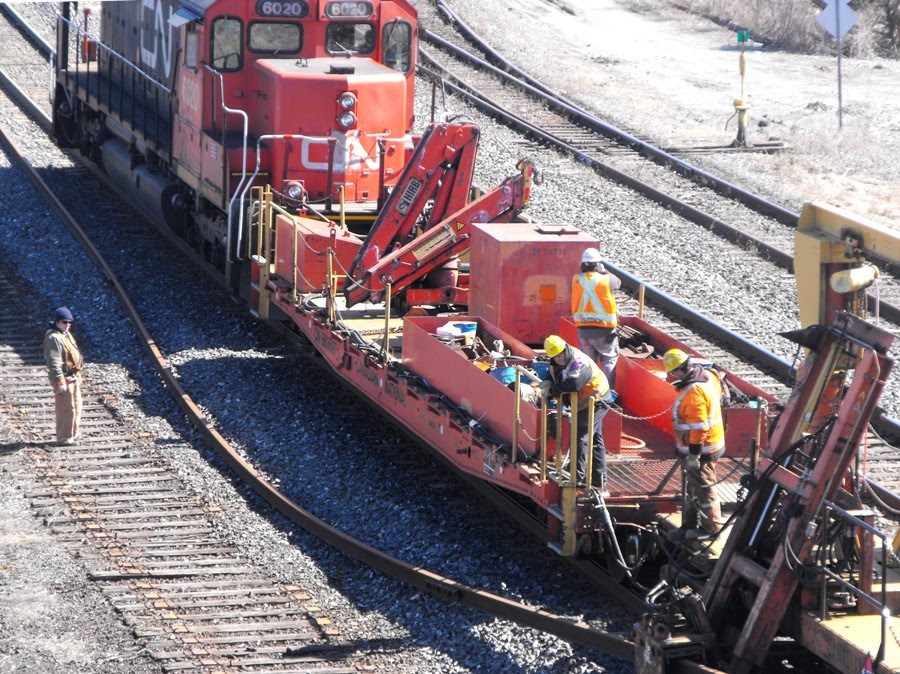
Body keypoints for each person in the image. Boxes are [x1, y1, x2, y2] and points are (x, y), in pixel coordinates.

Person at [663, 348, 725, 542]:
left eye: (672, 372)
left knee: (704, 487)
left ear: (681, 370)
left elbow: (699, 427)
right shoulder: (706, 377)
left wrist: (694, 455)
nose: (671, 377)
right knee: (693, 487)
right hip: (708, 445)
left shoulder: (693, 393)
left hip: (702, 450)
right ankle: (689, 524)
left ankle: (711, 528)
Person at [539, 335, 613, 491]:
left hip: (597, 399)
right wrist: (546, 382)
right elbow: (552, 374)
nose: (560, 358)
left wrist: (552, 391)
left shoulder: (578, 361)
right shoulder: (555, 362)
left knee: (580, 436)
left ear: (566, 348)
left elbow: (575, 384)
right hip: (584, 402)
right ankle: (599, 477)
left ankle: (576, 476)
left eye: (561, 354)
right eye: (555, 357)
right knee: (595, 438)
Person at [572, 247, 621, 388]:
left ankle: (588, 392)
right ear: (598, 264)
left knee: (588, 364)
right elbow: (618, 283)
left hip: (584, 331)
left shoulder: (576, 280)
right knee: (609, 361)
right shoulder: (606, 279)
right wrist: (604, 270)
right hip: (604, 332)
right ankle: (606, 394)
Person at [43, 307, 84, 446]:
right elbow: (54, 362)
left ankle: (73, 434)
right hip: (65, 379)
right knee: (67, 409)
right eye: (65, 322)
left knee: (76, 407)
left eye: (70, 322)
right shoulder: (53, 337)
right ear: (57, 322)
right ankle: (64, 438)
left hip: (73, 378)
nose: (68, 325)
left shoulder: (65, 334)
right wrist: (59, 382)